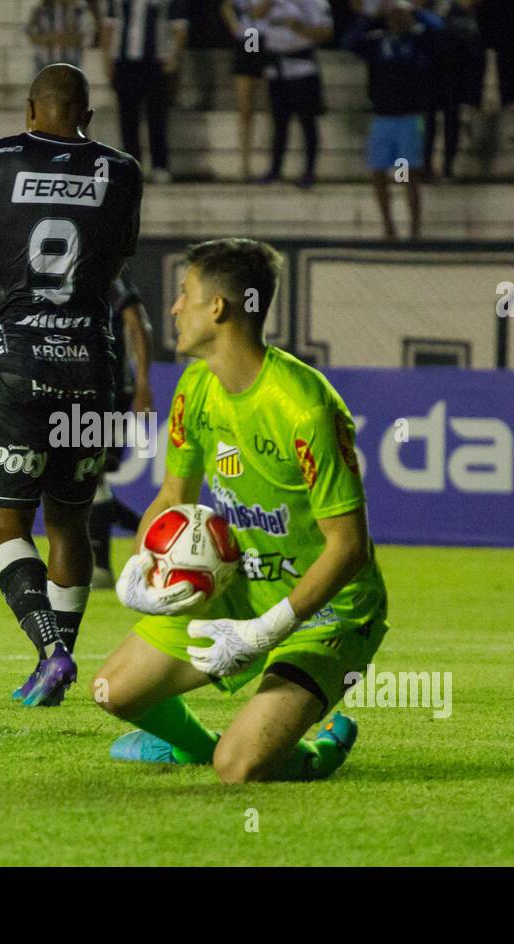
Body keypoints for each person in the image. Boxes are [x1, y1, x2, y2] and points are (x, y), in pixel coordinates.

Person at [96, 238, 389, 783]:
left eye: (184, 295)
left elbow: (348, 549)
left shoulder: (305, 407)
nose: (174, 308)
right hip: (239, 588)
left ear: (219, 308)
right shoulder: (197, 385)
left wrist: (263, 632)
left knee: (240, 768)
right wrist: (141, 566)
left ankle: (316, 754)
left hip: (327, 611)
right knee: (111, 689)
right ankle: (192, 746)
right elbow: (170, 498)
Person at [0, 64, 144, 707]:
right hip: (92, 365)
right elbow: (113, 266)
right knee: (70, 522)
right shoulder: (122, 171)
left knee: (6, 524)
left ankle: (50, 652)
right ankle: (57, 661)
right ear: (86, 113)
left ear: (32, 110)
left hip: (17, 363)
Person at [344, 0, 442, 239]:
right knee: (378, 172)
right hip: (382, 117)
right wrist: (370, 17)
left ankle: (415, 228)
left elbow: (439, 30)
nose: (397, 20)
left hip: (409, 117)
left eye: (401, 15)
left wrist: (417, 11)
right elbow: (348, 43)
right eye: (392, 15)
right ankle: (388, 225)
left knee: (409, 174)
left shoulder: (418, 41)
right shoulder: (377, 42)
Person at [89, 270, 154, 589]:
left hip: (107, 389)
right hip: (77, 389)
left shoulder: (107, 272)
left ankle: (99, 568)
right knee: (74, 477)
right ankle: (151, 529)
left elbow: (137, 323)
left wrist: (142, 382)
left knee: (91, 473)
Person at [101, 0, 190, 183]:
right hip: (124, 62)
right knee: (128, 117)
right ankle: (131, 166)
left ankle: (160, 166)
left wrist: (175, 58)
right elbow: (109, 25)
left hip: (155, 62)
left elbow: (179, 26)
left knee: (157, 116)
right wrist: (107, 59)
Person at [256, 0, 334, 188]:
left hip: (302, 67)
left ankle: (309, 171)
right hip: (276, 68)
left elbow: (326, 33)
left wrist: (301, 29)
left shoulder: (314, 3)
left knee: (307, 121)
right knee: (279, 123)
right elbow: (254, 16)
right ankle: (275, 169)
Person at [423, 0, 481, 181]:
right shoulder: (423, 12)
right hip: (429, 73)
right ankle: (426, 166)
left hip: (453, 72)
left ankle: (448, 165)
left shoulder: (458, 12)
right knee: (428, 123)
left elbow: (470, 40)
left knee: (451, 121)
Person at [220, 1, 271, 181]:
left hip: (272, 38)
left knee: (270, 104)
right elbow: (226, 5)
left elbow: (261, 10)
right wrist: (235, 26)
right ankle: (246, 164)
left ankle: (269, 164)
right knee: (245, 107)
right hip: (251, 36)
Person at [27, 0, 91, 72]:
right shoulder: (39, 10)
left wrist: (64, 39)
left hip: (72, 63)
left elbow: (84, 36)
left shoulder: (79, 10)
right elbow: (32, 35)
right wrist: (50, 38)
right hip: (44, 63)